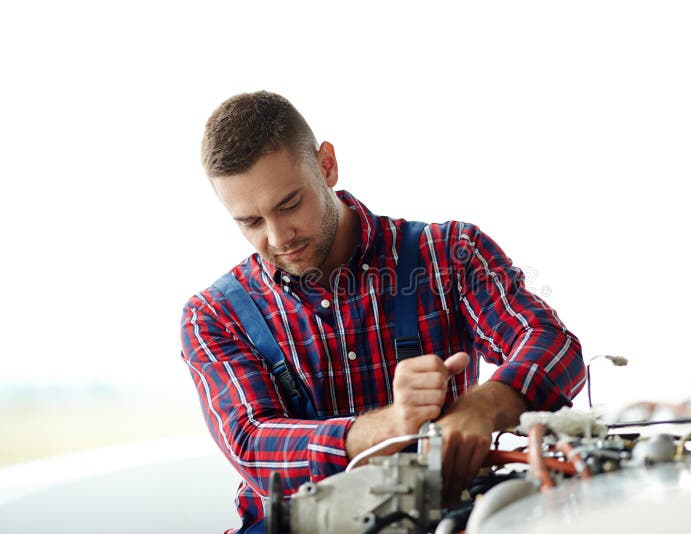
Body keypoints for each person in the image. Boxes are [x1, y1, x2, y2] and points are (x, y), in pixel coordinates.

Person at [180, 91, 586, 533]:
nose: (278, 238)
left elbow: (552, 343)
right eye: (251, 222)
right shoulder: (214, 316)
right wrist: (393, 424)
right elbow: (252, 445)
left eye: (289, 204)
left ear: (327, 165)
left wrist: (483, 406)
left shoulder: (449, 253)